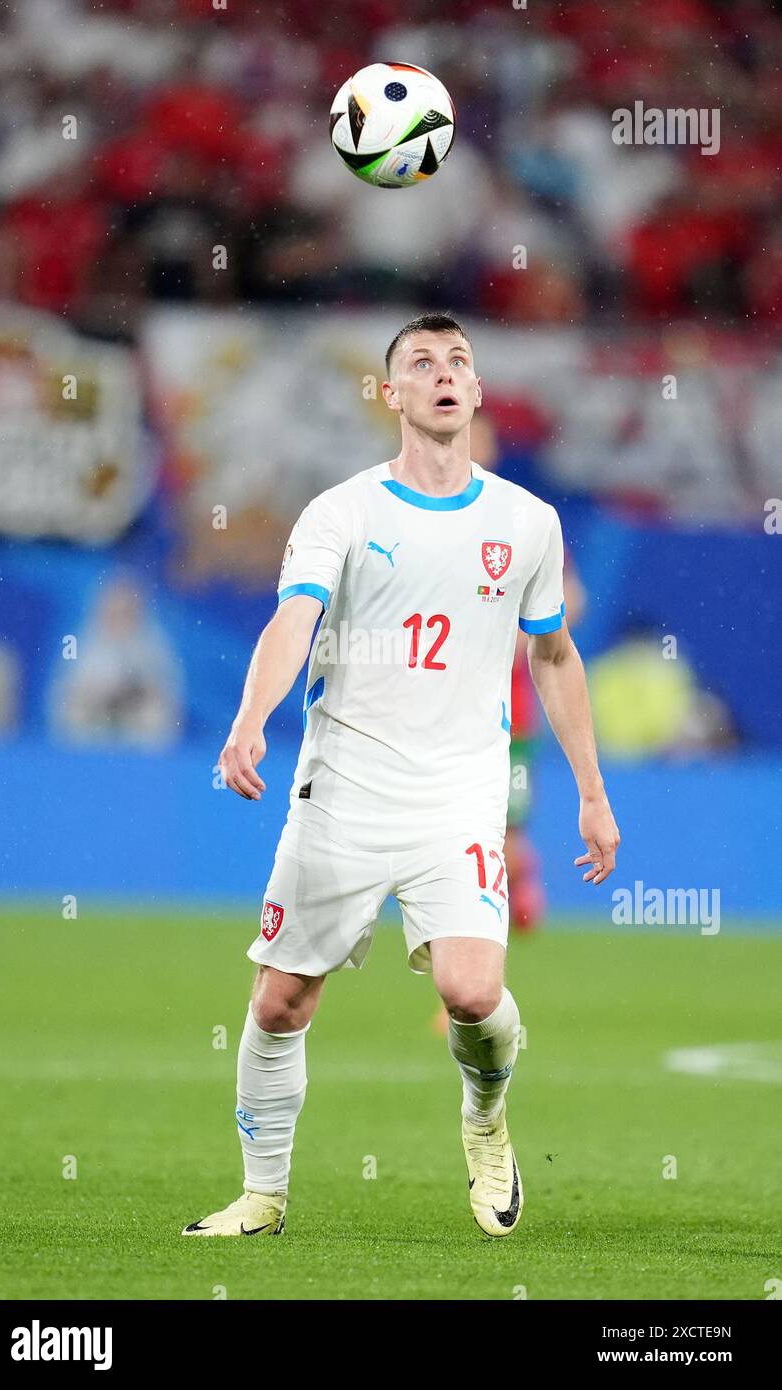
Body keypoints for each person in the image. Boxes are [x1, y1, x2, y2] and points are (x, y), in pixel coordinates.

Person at [182, 313, 619, 1241]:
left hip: (459, 794)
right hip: (341, 789)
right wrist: (251, 718)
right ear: (392, 394)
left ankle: (485, 1121)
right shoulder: (341, 512)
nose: (443, 372)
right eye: (421, 362)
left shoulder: (526, 522)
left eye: (458, 360)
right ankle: (262, 1196)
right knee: (279, 1001)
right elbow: (293, 620)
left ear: (476, 389)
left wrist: (590, 791)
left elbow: (552, 655)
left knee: (471, 993)